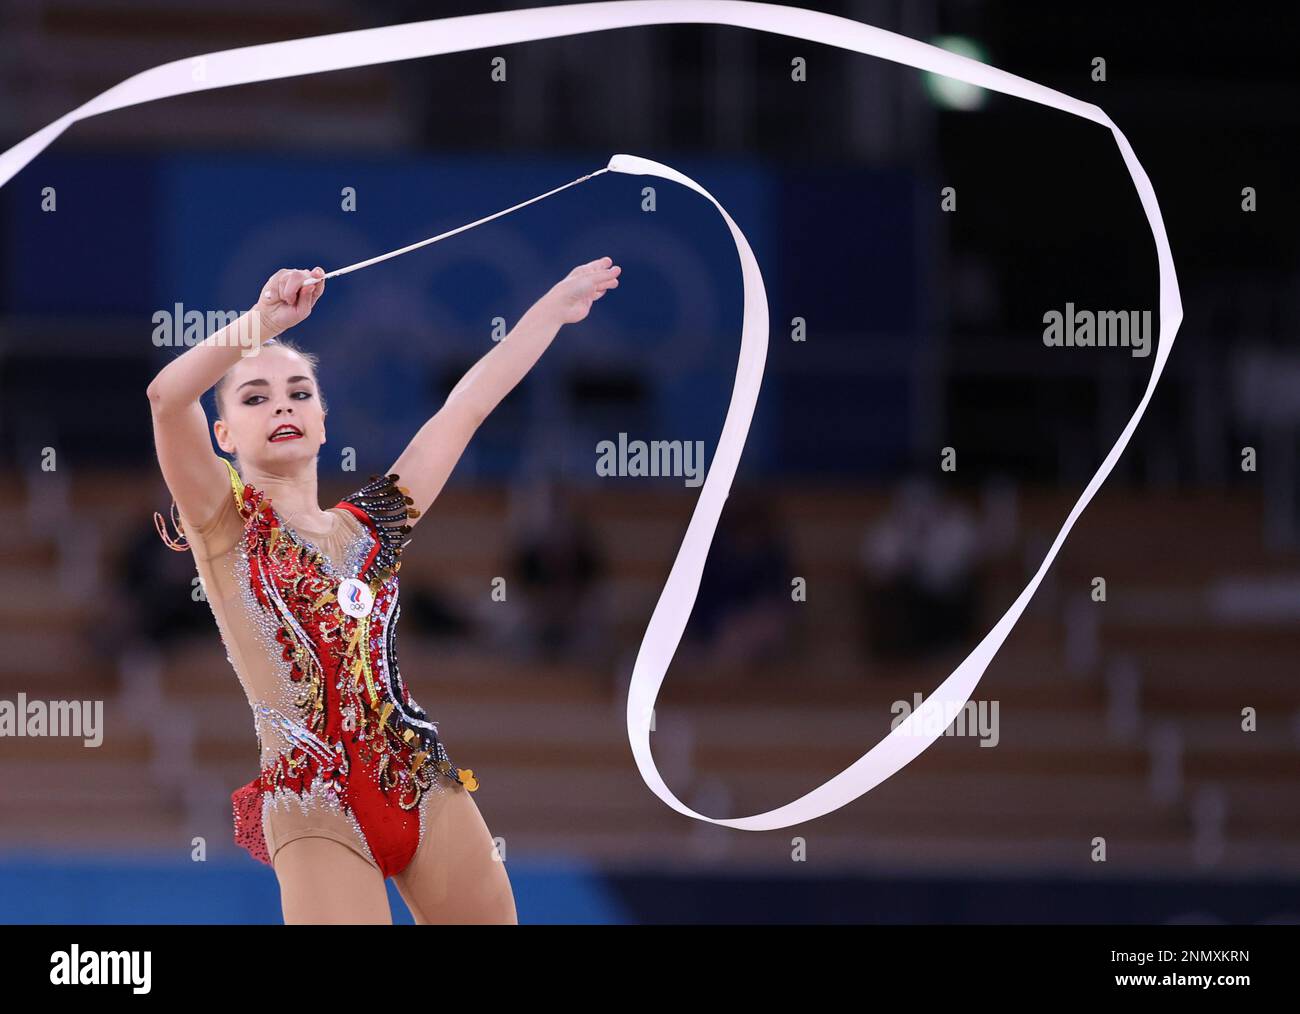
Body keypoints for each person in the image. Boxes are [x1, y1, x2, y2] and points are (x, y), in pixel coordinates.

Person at [147, 257, 620, 923]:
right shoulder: (223, 524)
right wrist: (262, 323)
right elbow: (167, 398)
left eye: (299, 392)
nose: (281, 403)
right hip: (312, 807)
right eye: (255, 396)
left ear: (322, 423)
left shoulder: (376, 524)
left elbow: (468, 405)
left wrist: (551, 308)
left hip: (423, 778)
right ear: (224, 436)